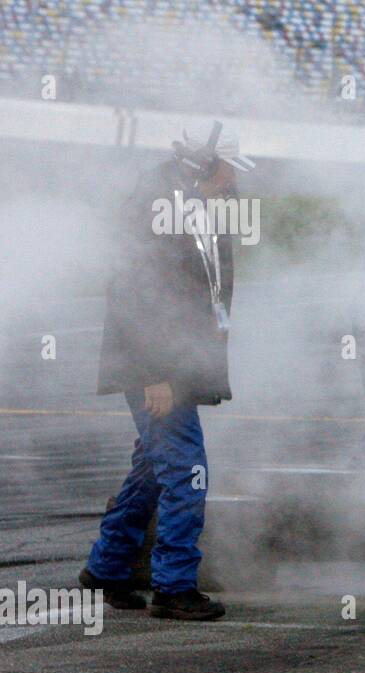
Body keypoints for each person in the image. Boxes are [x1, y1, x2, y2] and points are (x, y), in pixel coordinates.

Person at [80, 122, 254, 620]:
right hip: (157, 364)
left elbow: (203, 284)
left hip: (179, 360)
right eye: (226, 168)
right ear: (201, 161)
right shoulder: (156, 206)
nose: (232, 181)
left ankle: (107, 569)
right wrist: (153, 371)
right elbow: (136, 293)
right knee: (187, 470)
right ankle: (175, 587)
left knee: (155, 467)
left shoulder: (198, 204)